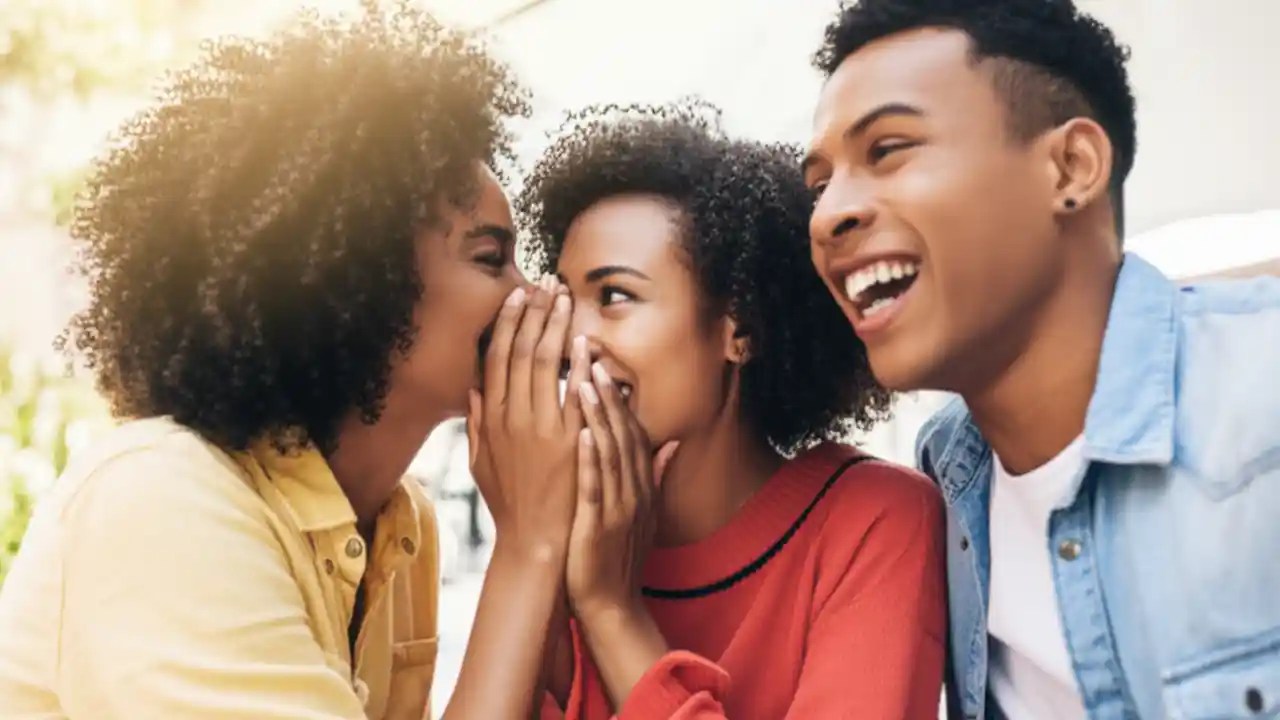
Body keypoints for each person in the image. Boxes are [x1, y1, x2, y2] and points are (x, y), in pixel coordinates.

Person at [0, 4, 584, 718]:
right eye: (492, 259)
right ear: (359, 279)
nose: (534, 297)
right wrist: (527, 546)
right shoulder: (160, 501)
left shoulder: (404, 526)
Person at [803, 1, 1280, 718]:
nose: (826, 214)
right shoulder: (943, 485)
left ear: (1071, 166)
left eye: (889, 149)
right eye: (819, 183)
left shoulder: (1258, 395)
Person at [519, 101, 946, 719]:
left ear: (738, 326)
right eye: (565, 298)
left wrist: (613, 613)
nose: (568, 339)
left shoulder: (872, 521)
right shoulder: (556, 545)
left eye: (614, 296)